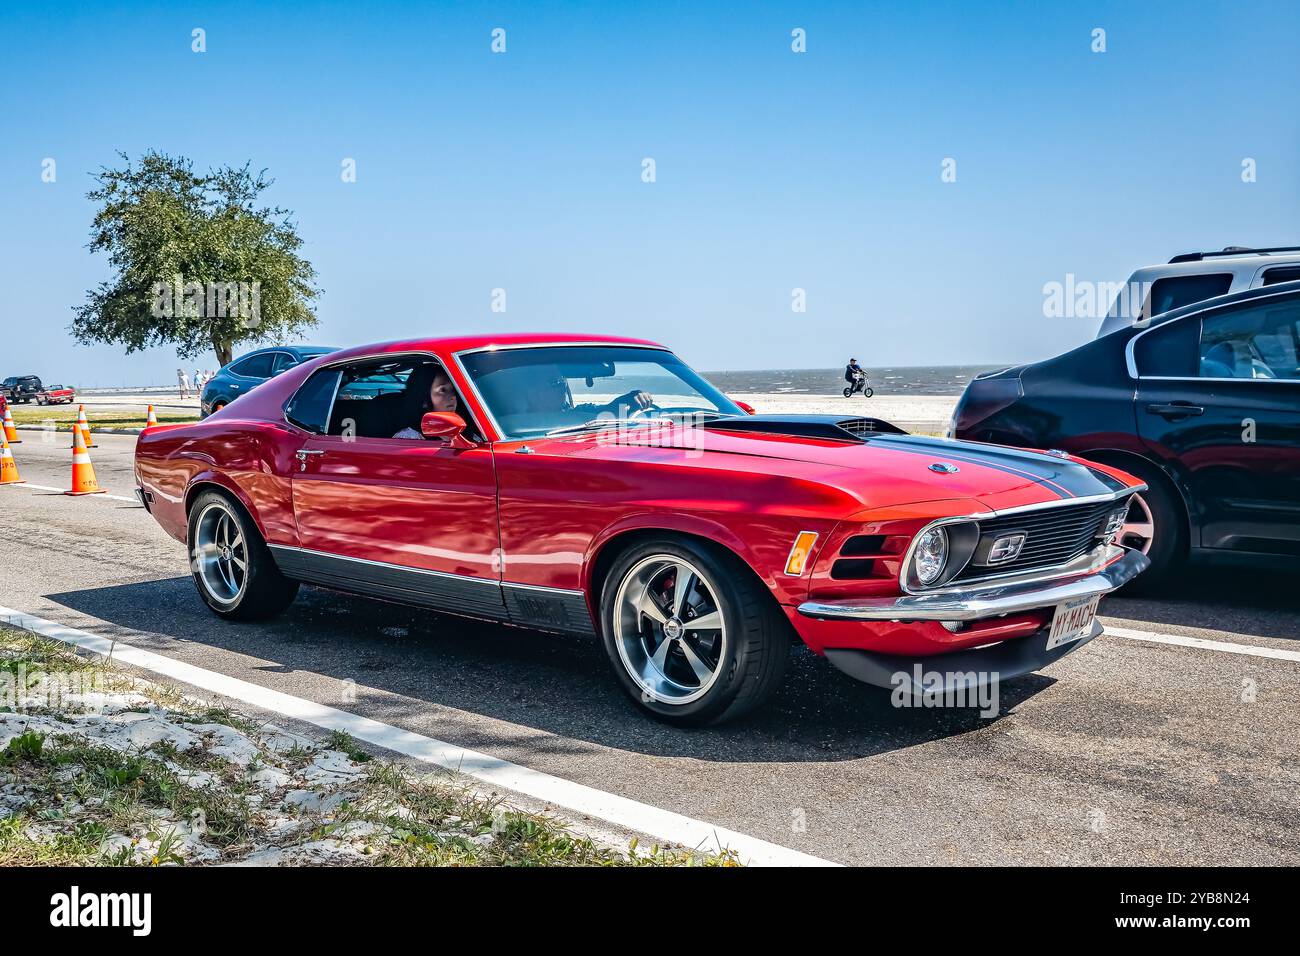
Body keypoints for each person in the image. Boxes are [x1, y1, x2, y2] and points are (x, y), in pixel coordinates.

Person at [392, 365, 460, 439]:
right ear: (424, 399)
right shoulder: (411, 437)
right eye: (443, 390)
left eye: (453, 390)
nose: (453, 396)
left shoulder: (458, 429)